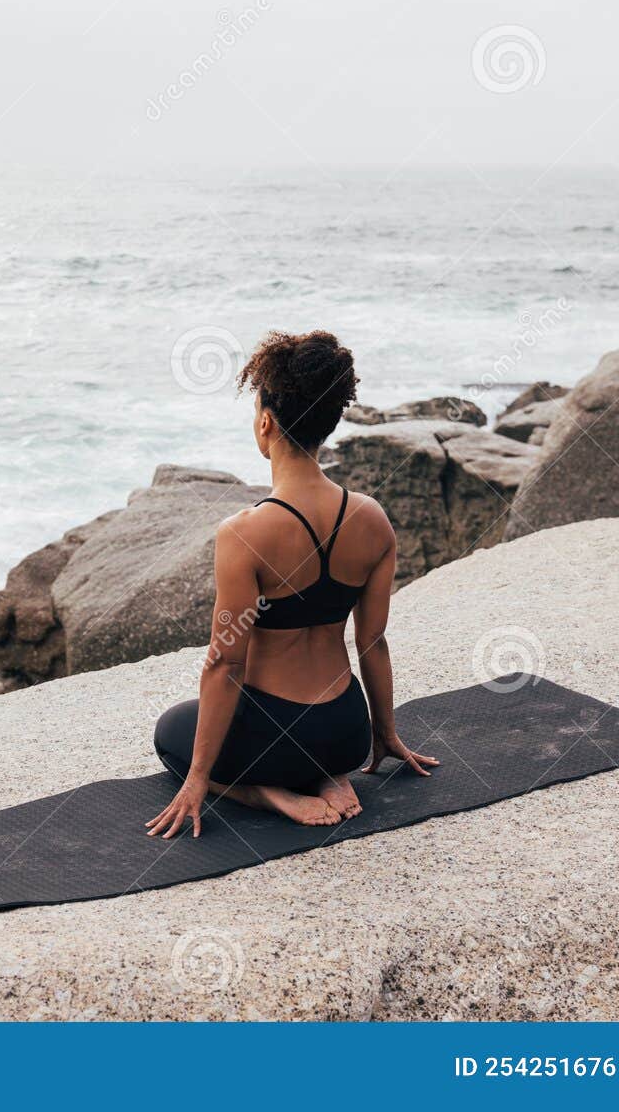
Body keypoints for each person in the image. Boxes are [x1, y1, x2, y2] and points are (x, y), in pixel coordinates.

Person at [147, 330, 438, 838]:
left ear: (265, 422)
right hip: (346, 733)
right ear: (327, 424)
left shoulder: (244, 534)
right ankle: (329, 779)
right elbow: (373, 642)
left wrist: (198, 778)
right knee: (312, 738)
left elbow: (224, 664)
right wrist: (384, 734)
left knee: (171, 730)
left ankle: (267, 793)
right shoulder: (372, 519)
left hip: (272, 741)